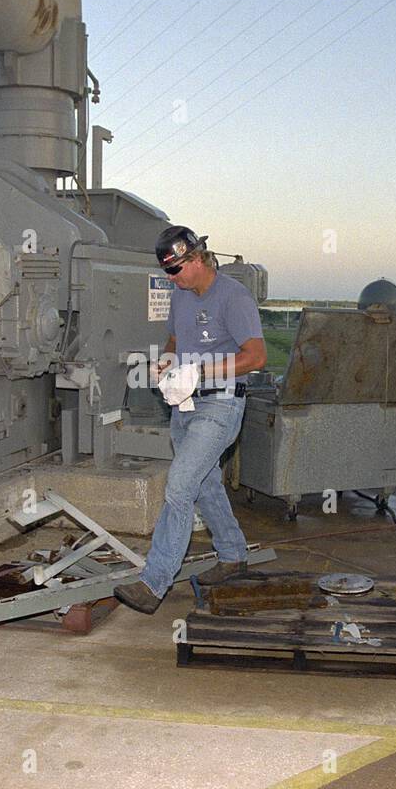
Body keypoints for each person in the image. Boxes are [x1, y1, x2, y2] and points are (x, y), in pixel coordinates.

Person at [113, 225, 267, 614]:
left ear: (197, 259)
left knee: (179, 485)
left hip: (221, 405)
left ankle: (154, 582)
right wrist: (168, 361)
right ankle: (233, 555)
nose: (171, 279)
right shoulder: (180, 295)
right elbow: (176, 341)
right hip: (184, 404)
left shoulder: (234, 297)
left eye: (175, 270)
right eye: (166, 272)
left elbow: (256, 357)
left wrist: (200, 372)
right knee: (204, 483)